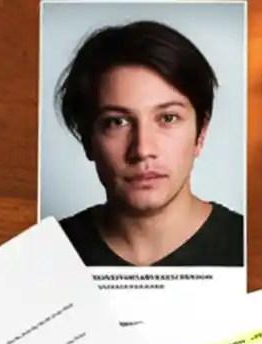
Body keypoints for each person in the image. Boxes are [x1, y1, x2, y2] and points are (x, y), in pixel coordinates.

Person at [54, 20, 244, 267]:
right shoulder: (48, 253)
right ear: (88, 139)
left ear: (201, 133)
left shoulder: (246, 245)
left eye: (168, 118)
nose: (143, 150)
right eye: (117, 122)